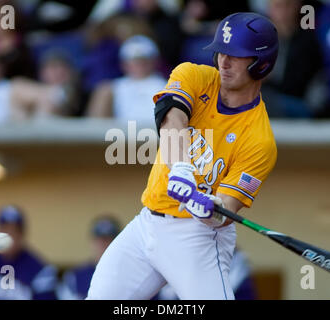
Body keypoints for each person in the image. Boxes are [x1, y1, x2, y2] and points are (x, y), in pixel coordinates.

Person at [86, 12, 278, 300]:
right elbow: (170, 115)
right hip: (146, 224)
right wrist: (181, 169)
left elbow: (228, 209)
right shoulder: (195, 75)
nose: (223, 62)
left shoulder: (260, 140)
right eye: (221, 53)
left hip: (197, 240)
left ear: (261, 64)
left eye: (235, 56)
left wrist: (211, 209)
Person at [86, 35, 167, 121]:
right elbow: (95, 121)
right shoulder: (111, 88)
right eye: (133, 61)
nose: (139, 65)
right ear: (123, 64)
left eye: (144, 60)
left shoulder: (166, 86)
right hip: (120, 132)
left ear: (155, 61)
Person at [57, 215, 121, 299]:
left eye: (109, 239)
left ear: (119, 241)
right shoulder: (75, 277)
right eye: (100, 239)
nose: (103, 244)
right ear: (92, 242)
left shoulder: (129, 272)